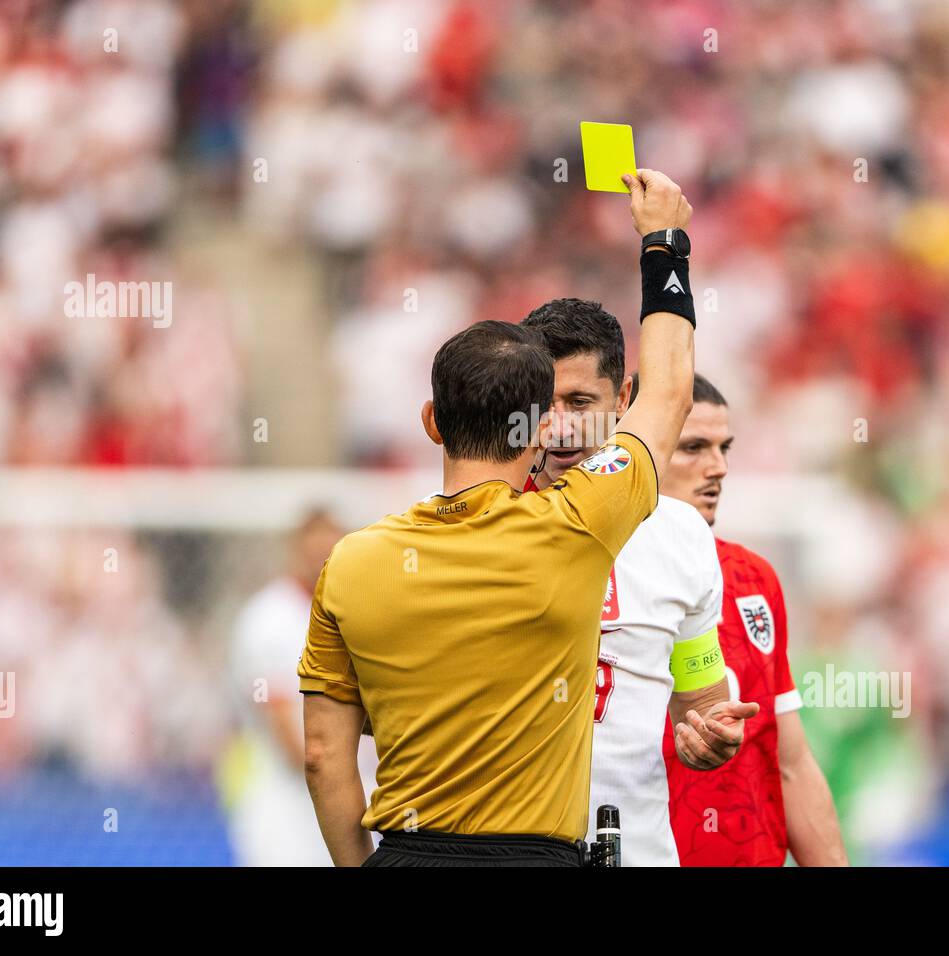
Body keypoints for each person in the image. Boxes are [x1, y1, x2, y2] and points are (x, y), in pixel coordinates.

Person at [297, 169, 716, 866]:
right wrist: (664, 245)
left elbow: (321, 754)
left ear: (432, 423)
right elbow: (669, 394)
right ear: (537, 428)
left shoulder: (354, 560)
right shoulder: (575, 527)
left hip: (405, 852)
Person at [520, 300, 759, 866]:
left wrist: (707, 736)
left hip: (637, 850)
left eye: (581, 402)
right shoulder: (473, 525)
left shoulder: (679, 533)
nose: (562, 424)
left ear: (623, 400)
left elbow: (700, 700)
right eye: (542, 404)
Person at [654, 373, 849, 866]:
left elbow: (791, 763)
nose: (717, 467)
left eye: (725, 448)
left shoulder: (753, 579)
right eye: (693, 447)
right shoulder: (595, 579)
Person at [226, 508, 380, 865]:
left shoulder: (360, 610)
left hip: (355, 793)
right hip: (287, 808)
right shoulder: (269, 618)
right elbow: (296, 743)